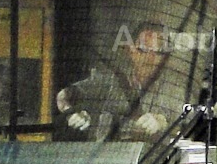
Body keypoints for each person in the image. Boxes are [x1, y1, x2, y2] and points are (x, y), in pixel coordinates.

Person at [56, 22, 185, 141]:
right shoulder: (110, 81)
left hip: (154, 162)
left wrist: (161, 122)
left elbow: (187, 125)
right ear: (131, 50)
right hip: (109, 159)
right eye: (144, 50)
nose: (150, 58)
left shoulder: (174, 89)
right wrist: (72, 113)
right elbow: (64, 95)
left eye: (159, 52)